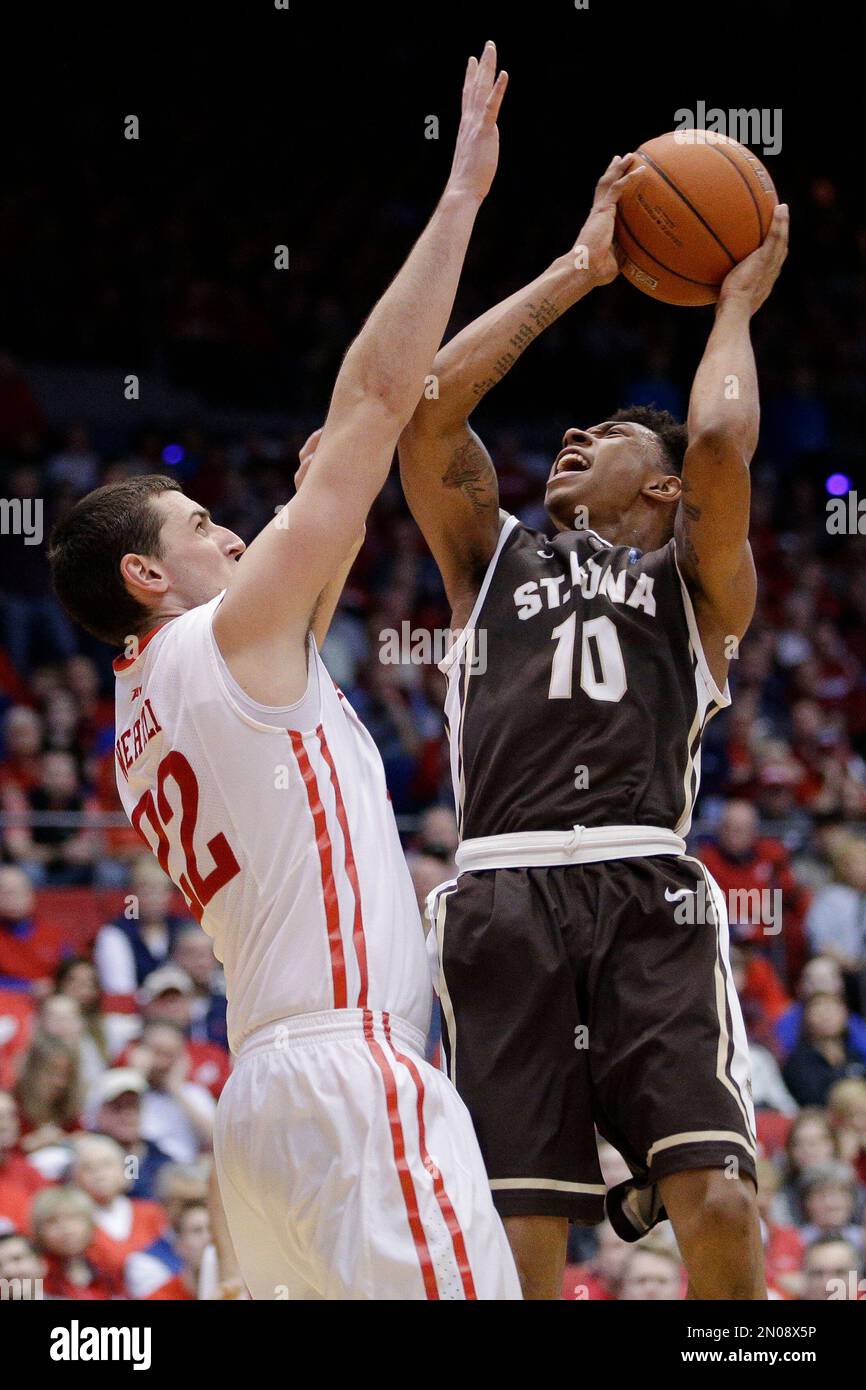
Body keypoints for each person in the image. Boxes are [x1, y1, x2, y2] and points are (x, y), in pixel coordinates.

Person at [47, 43, 520, 1301]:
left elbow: (302, 584)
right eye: (202, 525)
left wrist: (332, 508)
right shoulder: (226, 642)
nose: (233, 533)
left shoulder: (141, 709)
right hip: (349, 1083)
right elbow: (373, 395)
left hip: (261, 1105)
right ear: (145, 576)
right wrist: (464, 191)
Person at [398, 139, 789, 1297]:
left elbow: (718, 439)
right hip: (501, 893)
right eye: (572, 434)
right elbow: (427, 407)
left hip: (642, 887)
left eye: (609, 437)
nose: (572, 438)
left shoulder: (697, 582)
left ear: (662, 489)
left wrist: (734, 303)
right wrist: (579, 265)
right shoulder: (490, 553)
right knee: (518, 1246)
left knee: (714, 1199)